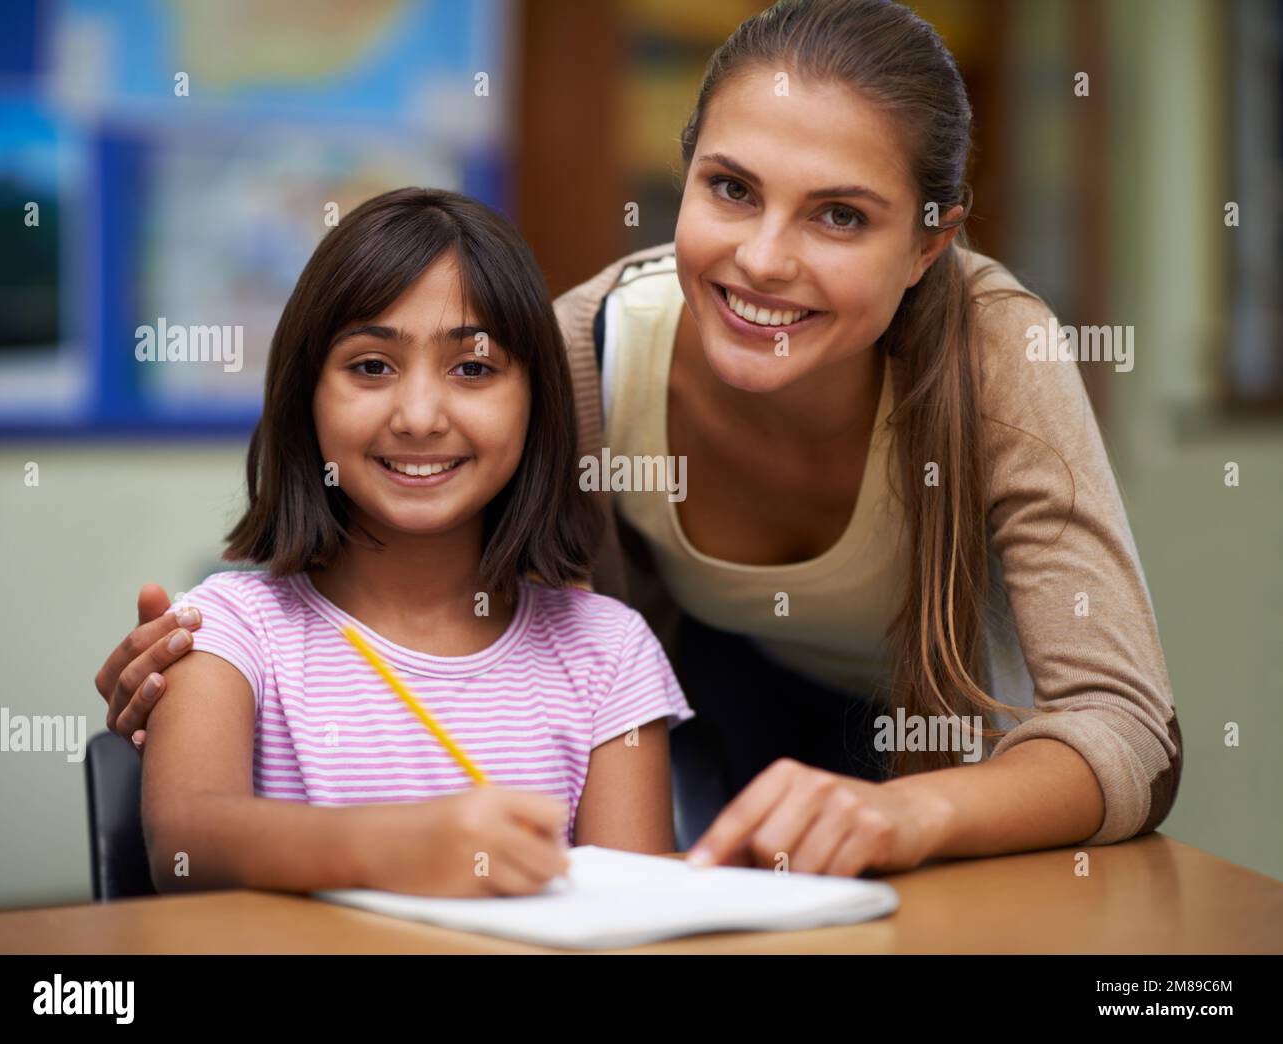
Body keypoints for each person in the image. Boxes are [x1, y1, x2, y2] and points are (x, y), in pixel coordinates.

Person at [97, 0, 1180, 880]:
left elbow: (1125, 728)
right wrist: (196, 663)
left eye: (839, 215)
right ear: (685, 171)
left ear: (930, 240)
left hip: (960, 766)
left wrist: (908, 813)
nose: (763, 258)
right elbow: (375, 525)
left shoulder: (998, 358)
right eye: (730, 188)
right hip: (719, 723)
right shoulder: (575, 360)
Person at [136, 187, 693, 898]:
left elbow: (633, 912)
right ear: (305, 394)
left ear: (538, 402)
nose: (420, 416)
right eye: (371, 366)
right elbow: (184, 846)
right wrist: (404, 843)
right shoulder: (230, 629)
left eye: (474, 368)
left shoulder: (609, 653)